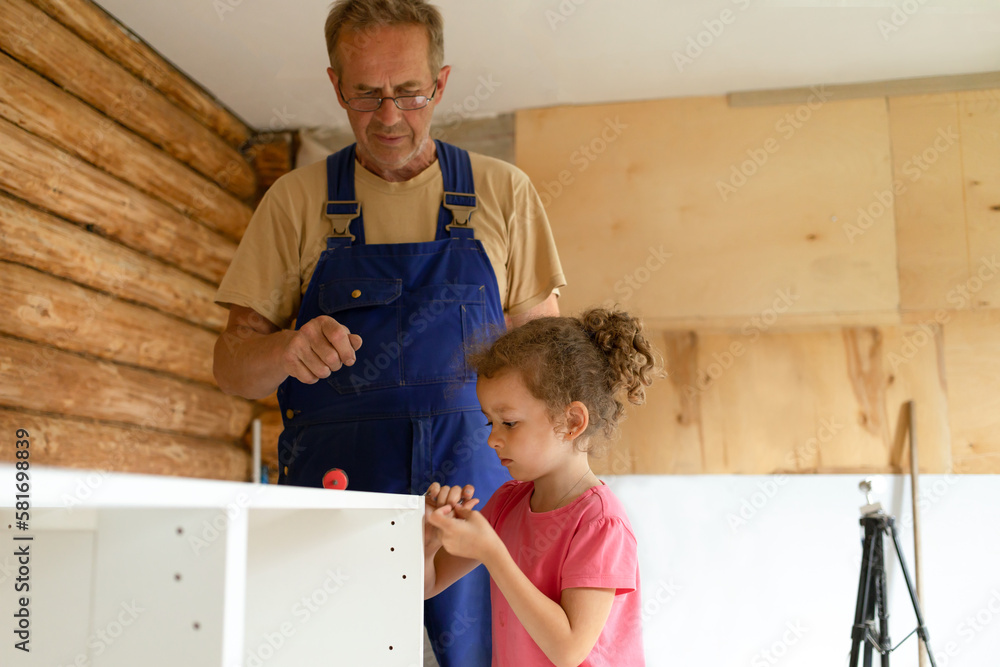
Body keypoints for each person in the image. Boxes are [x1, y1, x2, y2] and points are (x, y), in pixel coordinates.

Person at [211, 1, 565, 664]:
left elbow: (550, 374)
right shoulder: (294, 201)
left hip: (477, 500)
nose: (390, 116)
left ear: (442, 81)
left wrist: (564, 500)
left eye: (409, 92)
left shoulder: (504, 193)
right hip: (334, 500)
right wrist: (286, 348)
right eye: (367, 94)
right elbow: (230, 366)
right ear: (336, 86)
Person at [423, 308, 660, 666]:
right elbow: (427, 585)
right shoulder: (506, 504)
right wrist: (429, 544)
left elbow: (567, 650)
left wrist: (492, 553)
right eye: (490, 423)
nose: (493, 440)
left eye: (509, 423)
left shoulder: (600, 523)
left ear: (572, 421)